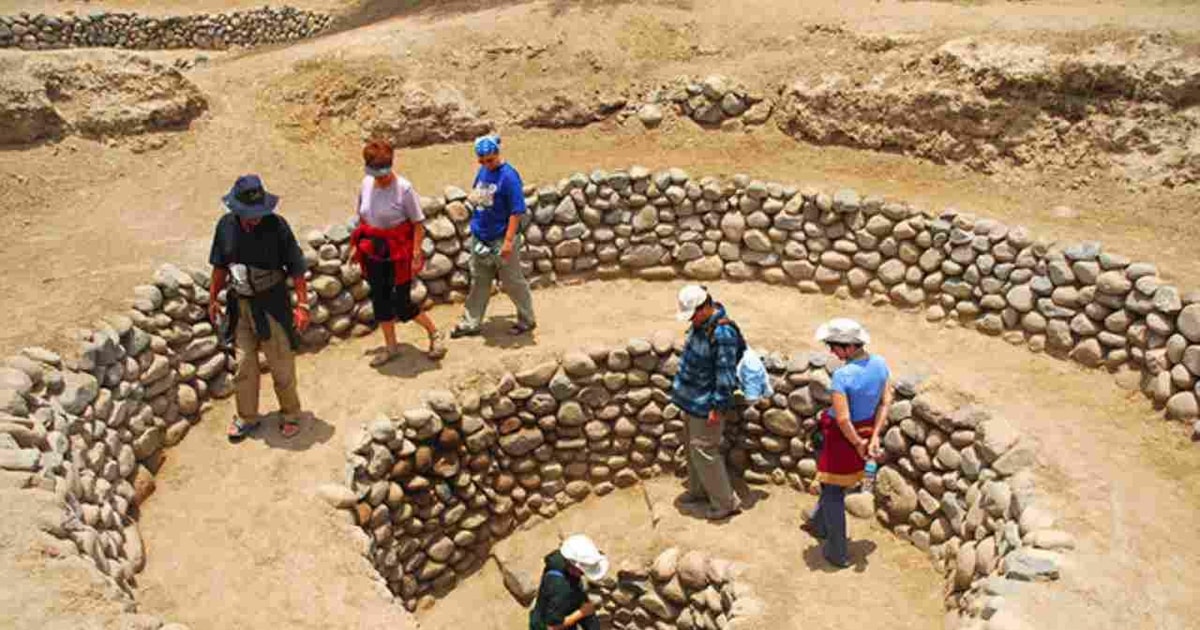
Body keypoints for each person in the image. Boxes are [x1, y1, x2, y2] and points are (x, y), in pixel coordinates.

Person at [207, 175, 311, 442]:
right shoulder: (225, 227)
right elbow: (219, 266)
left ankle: (290, 414)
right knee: (243, 364)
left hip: (272, 305)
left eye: (258, 213)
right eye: (248, 214)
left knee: (281, 364)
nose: (254, 218)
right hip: (239, 305)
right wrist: (213, 298)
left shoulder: (277, 227)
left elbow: (296, 267)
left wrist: (302, 304)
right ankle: (246, 417)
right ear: (235, 209)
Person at [802, 318, 892, 568]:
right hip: (865, 431)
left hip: (844, 438)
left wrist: (856, 444)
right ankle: (819, 523)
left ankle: (837, 551)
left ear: (849, 347)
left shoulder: (842, 375)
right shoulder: (880, 364)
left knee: (832, 492)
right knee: (835, 487)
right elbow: (885, 402)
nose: (831, 351)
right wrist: (872, 438)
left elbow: (842, 417)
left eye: (834, 346)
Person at [349, 139, 447, 366]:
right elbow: (363, 216)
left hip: (397, 252)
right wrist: (356, 246)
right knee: (380, 300)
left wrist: (416, 253)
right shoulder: (366, 184)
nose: (380, 178)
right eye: (376, 173)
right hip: (374, 250)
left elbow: (418, 223)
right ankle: (391, 347)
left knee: (401, 303)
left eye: (383, 173)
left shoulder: (404, 189)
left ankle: (434, 333)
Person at [669, 284, 746, 521]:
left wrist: (717, 407)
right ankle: (698, 491)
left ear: (704, 308)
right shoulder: (701, 325)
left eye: (692, 314)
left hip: (707, 405)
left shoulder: (722, 334)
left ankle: (725, 502)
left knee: (705, 451)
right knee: (694, 449)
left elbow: (725, 375)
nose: (690, 319)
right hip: (692, 400)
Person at [450, 134, 537, 338]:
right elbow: (479, 192)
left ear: (497, 153)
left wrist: (508, 241)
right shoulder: (483, 171)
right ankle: (471, 322)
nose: (486, 164)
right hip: (481, 235)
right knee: (479, 281)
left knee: (512, 281)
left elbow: (516, 211)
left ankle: (527, 319)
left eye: (489, 160)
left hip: (501, 237)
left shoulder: (509, 176)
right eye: (482, 161)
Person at [529, 534, 608, 630]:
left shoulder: (560, 559)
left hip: (565, 602)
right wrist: (581, 613)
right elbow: (551, 627)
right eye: (582, 572)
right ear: (574, 567)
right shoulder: (560, 589)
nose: (583, 575)